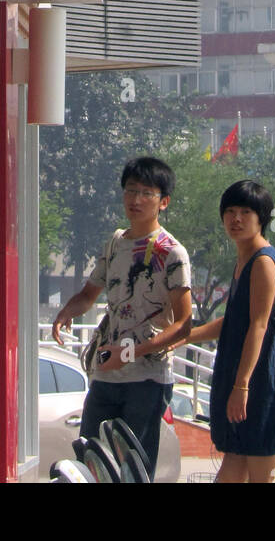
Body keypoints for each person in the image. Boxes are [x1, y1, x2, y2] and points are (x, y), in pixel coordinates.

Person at [51, 156, 191, 472]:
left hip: (147, 378)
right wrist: (65, 312)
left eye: (146, 193)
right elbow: (89, 294)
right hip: (105, 373)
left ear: (163, 202)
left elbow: (183, 325)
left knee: (133, 470)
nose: (136, 200)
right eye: (130, 190)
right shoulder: (115, 243)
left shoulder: (171, 252)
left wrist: (129, 353)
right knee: (89, 460)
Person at [188, 180, 275, 483]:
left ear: (261, 217)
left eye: (245, 212)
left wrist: (241, 387)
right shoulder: (243, 260)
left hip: (265, 381)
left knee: (262, 477)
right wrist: (183, 336)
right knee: (231, 470)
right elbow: (234, 322)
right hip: (248, 379)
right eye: (229, 211)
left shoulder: (263, 261)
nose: (236, 219)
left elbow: (260, 325)